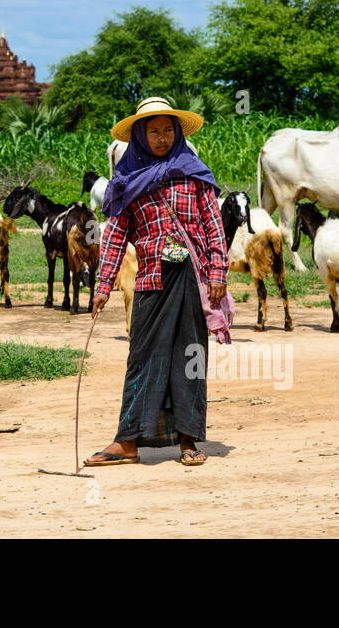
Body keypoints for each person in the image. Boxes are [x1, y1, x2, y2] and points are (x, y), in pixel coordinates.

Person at [85, 97, 229, 468]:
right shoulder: (127, 181)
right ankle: (128, 441)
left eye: (168, 130)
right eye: (153, 131)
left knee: (190, 356)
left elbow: (213, 223)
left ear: (177, 133)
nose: (162, 138)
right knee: (142, 357)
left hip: (190, 277)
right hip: (150, 278)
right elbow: (116, 235)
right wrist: (103, 287)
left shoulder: (193, 174)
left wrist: (217, 273)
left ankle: (188, 440)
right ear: (139, 136)